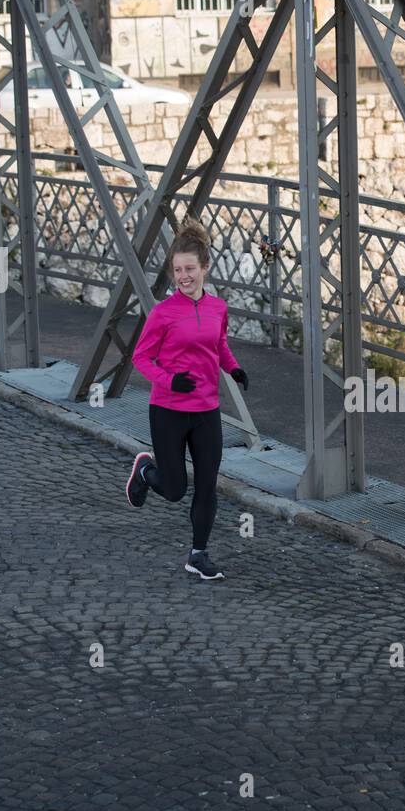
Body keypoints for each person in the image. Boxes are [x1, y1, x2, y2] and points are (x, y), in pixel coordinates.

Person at [124, 217, 249, 580]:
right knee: (177, 489)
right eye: (177, 270)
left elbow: (219, 344)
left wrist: (234, 368)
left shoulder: (218, 308)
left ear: (204, 268)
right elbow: (141, 358)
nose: (183, 276)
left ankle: (198, 554)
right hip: (168, 409)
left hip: (207, 410)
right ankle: (146, 472)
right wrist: (169, 380)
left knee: (207, 484)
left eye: (190, 269)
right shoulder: (164, 313)